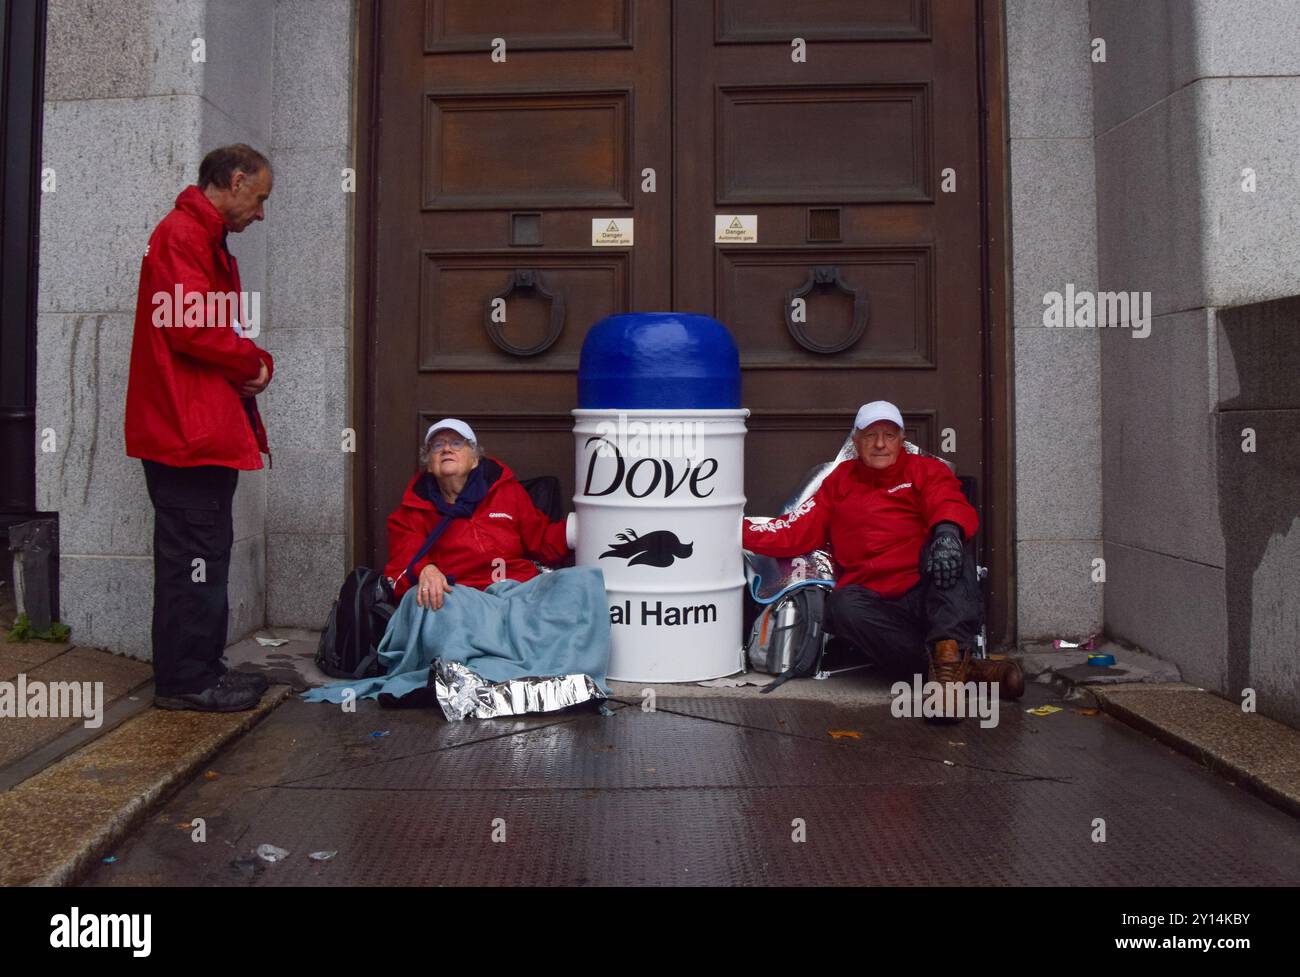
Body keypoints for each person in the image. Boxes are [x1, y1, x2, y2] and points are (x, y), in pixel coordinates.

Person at [742, 401, 1023, 718]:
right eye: (871, 435)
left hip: (927, 589)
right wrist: (723, 527)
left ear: (901, 439)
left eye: (888, 435)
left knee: (949, 549)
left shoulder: (924, 470)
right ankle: (961, 671)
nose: (879, 444)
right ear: (856, 441)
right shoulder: (838, 482)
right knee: (842, 605)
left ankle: (946, 684)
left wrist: (947, 533)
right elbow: (794, 531)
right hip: (877, 604)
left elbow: (947, 501)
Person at [124, 144, 275, 712]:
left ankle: (200, 670)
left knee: (200, 553)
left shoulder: (197, 236)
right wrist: (253, 362)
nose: (259, 213)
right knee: (194, 555)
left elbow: (200, 326)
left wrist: (247, 364)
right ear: (235, 182)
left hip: (192, 427)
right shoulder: (184, 235)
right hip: (186, 432)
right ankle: (189, 680)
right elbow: (192, 327)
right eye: (258, 198)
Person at [384, 419, 571, 606]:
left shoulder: (506, 492)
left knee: (582, 582)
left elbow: (541, 540)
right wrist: (424, 569)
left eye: (457, 443)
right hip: (461, 600)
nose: (447, 449)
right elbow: (404, 563)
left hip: (518, 589)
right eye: (437, 445)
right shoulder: (414, 510)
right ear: (430, 465)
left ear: (474, 460)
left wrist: (579, 528)